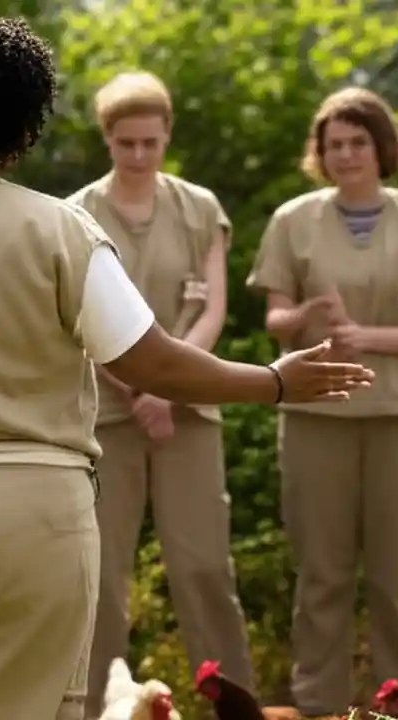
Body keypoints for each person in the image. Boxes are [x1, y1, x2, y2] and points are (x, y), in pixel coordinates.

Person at [0, 13, 374, 720]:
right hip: (25, 517)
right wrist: (272, 381)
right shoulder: (60, 229)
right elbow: (151, 361)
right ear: (26, 124)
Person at [246, 86, 398, 715]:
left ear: (384, 147)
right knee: (321, 571)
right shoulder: (293, 221)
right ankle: (318, 703)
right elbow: (276, 321)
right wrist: (304, 316)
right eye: (334, 145)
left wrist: (368, 337)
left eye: (358, 142)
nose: (345, 154)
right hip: (316, 413)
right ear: (319, 154)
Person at [68, 70, 258, 717]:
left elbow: (213, 308)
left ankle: (235, 709)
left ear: (168, 134)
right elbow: (78, 318)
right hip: (105, 415)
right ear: (107, 140)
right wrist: (140, 383)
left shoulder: (200, 209)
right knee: (99, 575)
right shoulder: (76, 213)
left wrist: (169, 387)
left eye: (151, 142)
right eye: (126, 143)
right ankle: (87, 709)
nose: (139, 155)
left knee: (204, 567)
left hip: (187, 411)